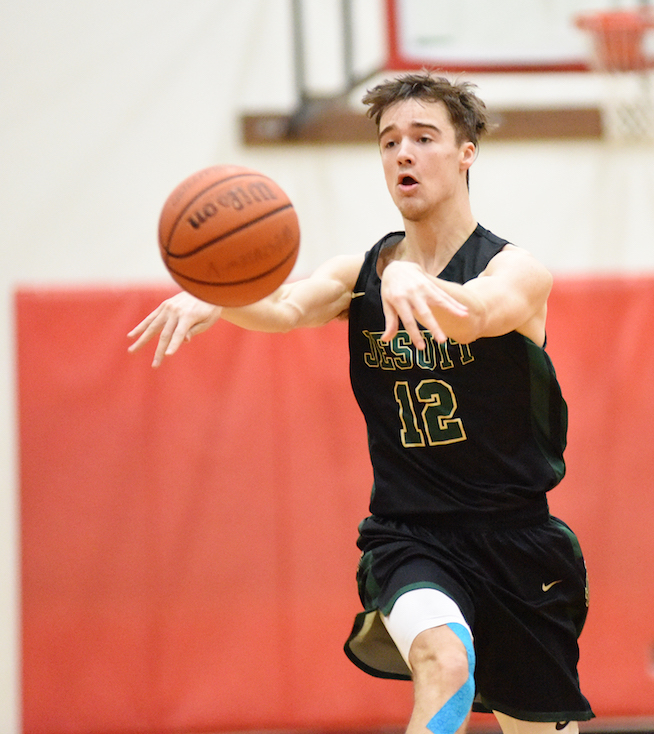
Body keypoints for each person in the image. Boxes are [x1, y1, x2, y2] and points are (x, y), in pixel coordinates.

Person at [129, 72, 592, 734]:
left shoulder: (515, 271)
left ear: (467, 153)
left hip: (518, 541)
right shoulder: (360, 275)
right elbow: (287, 305)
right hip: (412, 537)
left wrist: (410, 276)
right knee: (443, 661)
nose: (403, 153)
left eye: (424, 138)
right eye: (389, 141)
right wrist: (219, 292)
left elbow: (472, 315)